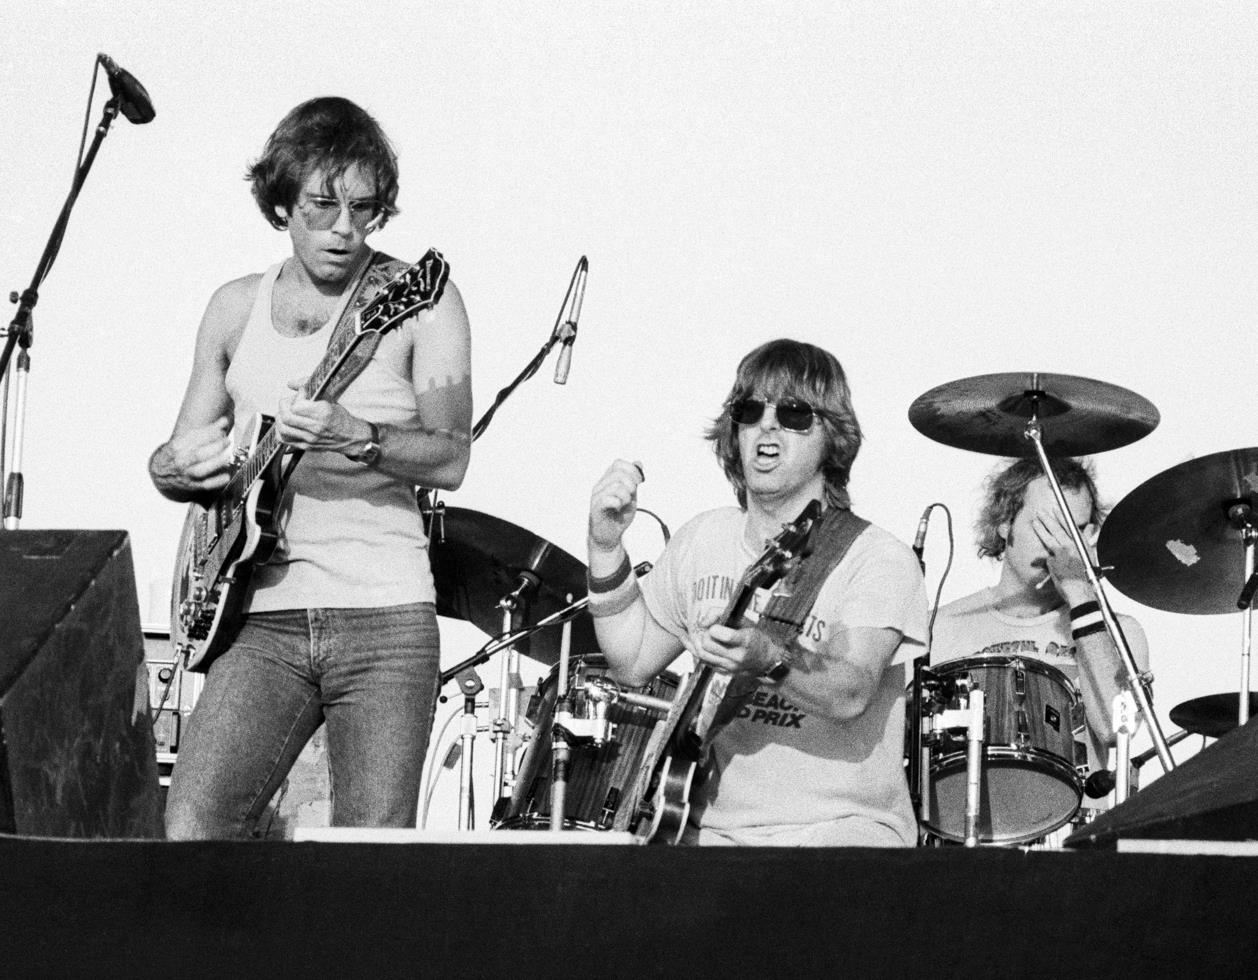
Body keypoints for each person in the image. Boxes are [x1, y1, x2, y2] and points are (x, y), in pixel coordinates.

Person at [149, 97, 472, 839]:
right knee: (193, 824)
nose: (344, 230)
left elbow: (451, 457)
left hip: (384, 616)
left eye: (363, 209)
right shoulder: (234, 307)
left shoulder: (419, 302)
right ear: (282, 203)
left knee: (367, 855)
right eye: (322, 207)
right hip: (256, 618)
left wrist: (356, 433)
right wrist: (171, 468)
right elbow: (181, 453)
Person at [586, 339, 928, 846]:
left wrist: (768, 656)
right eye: (751, 411)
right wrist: (604, 544)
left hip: (842, 831)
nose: (767, 426)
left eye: (793, 414)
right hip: (711, 831)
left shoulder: (876, 557)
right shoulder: (704, 539)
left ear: (832, 436)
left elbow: (852, 691)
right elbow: (631, 659)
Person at [930, 457, 1150, 792]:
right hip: (968, 825)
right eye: (1044, 526)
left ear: (1090, 536)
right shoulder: (943, 626)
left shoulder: (1119, 632)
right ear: (1005, 522)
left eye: (1072, 531)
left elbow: (1116, 729)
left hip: (1074, 829)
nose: (1056, 545)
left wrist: (1080, 593)